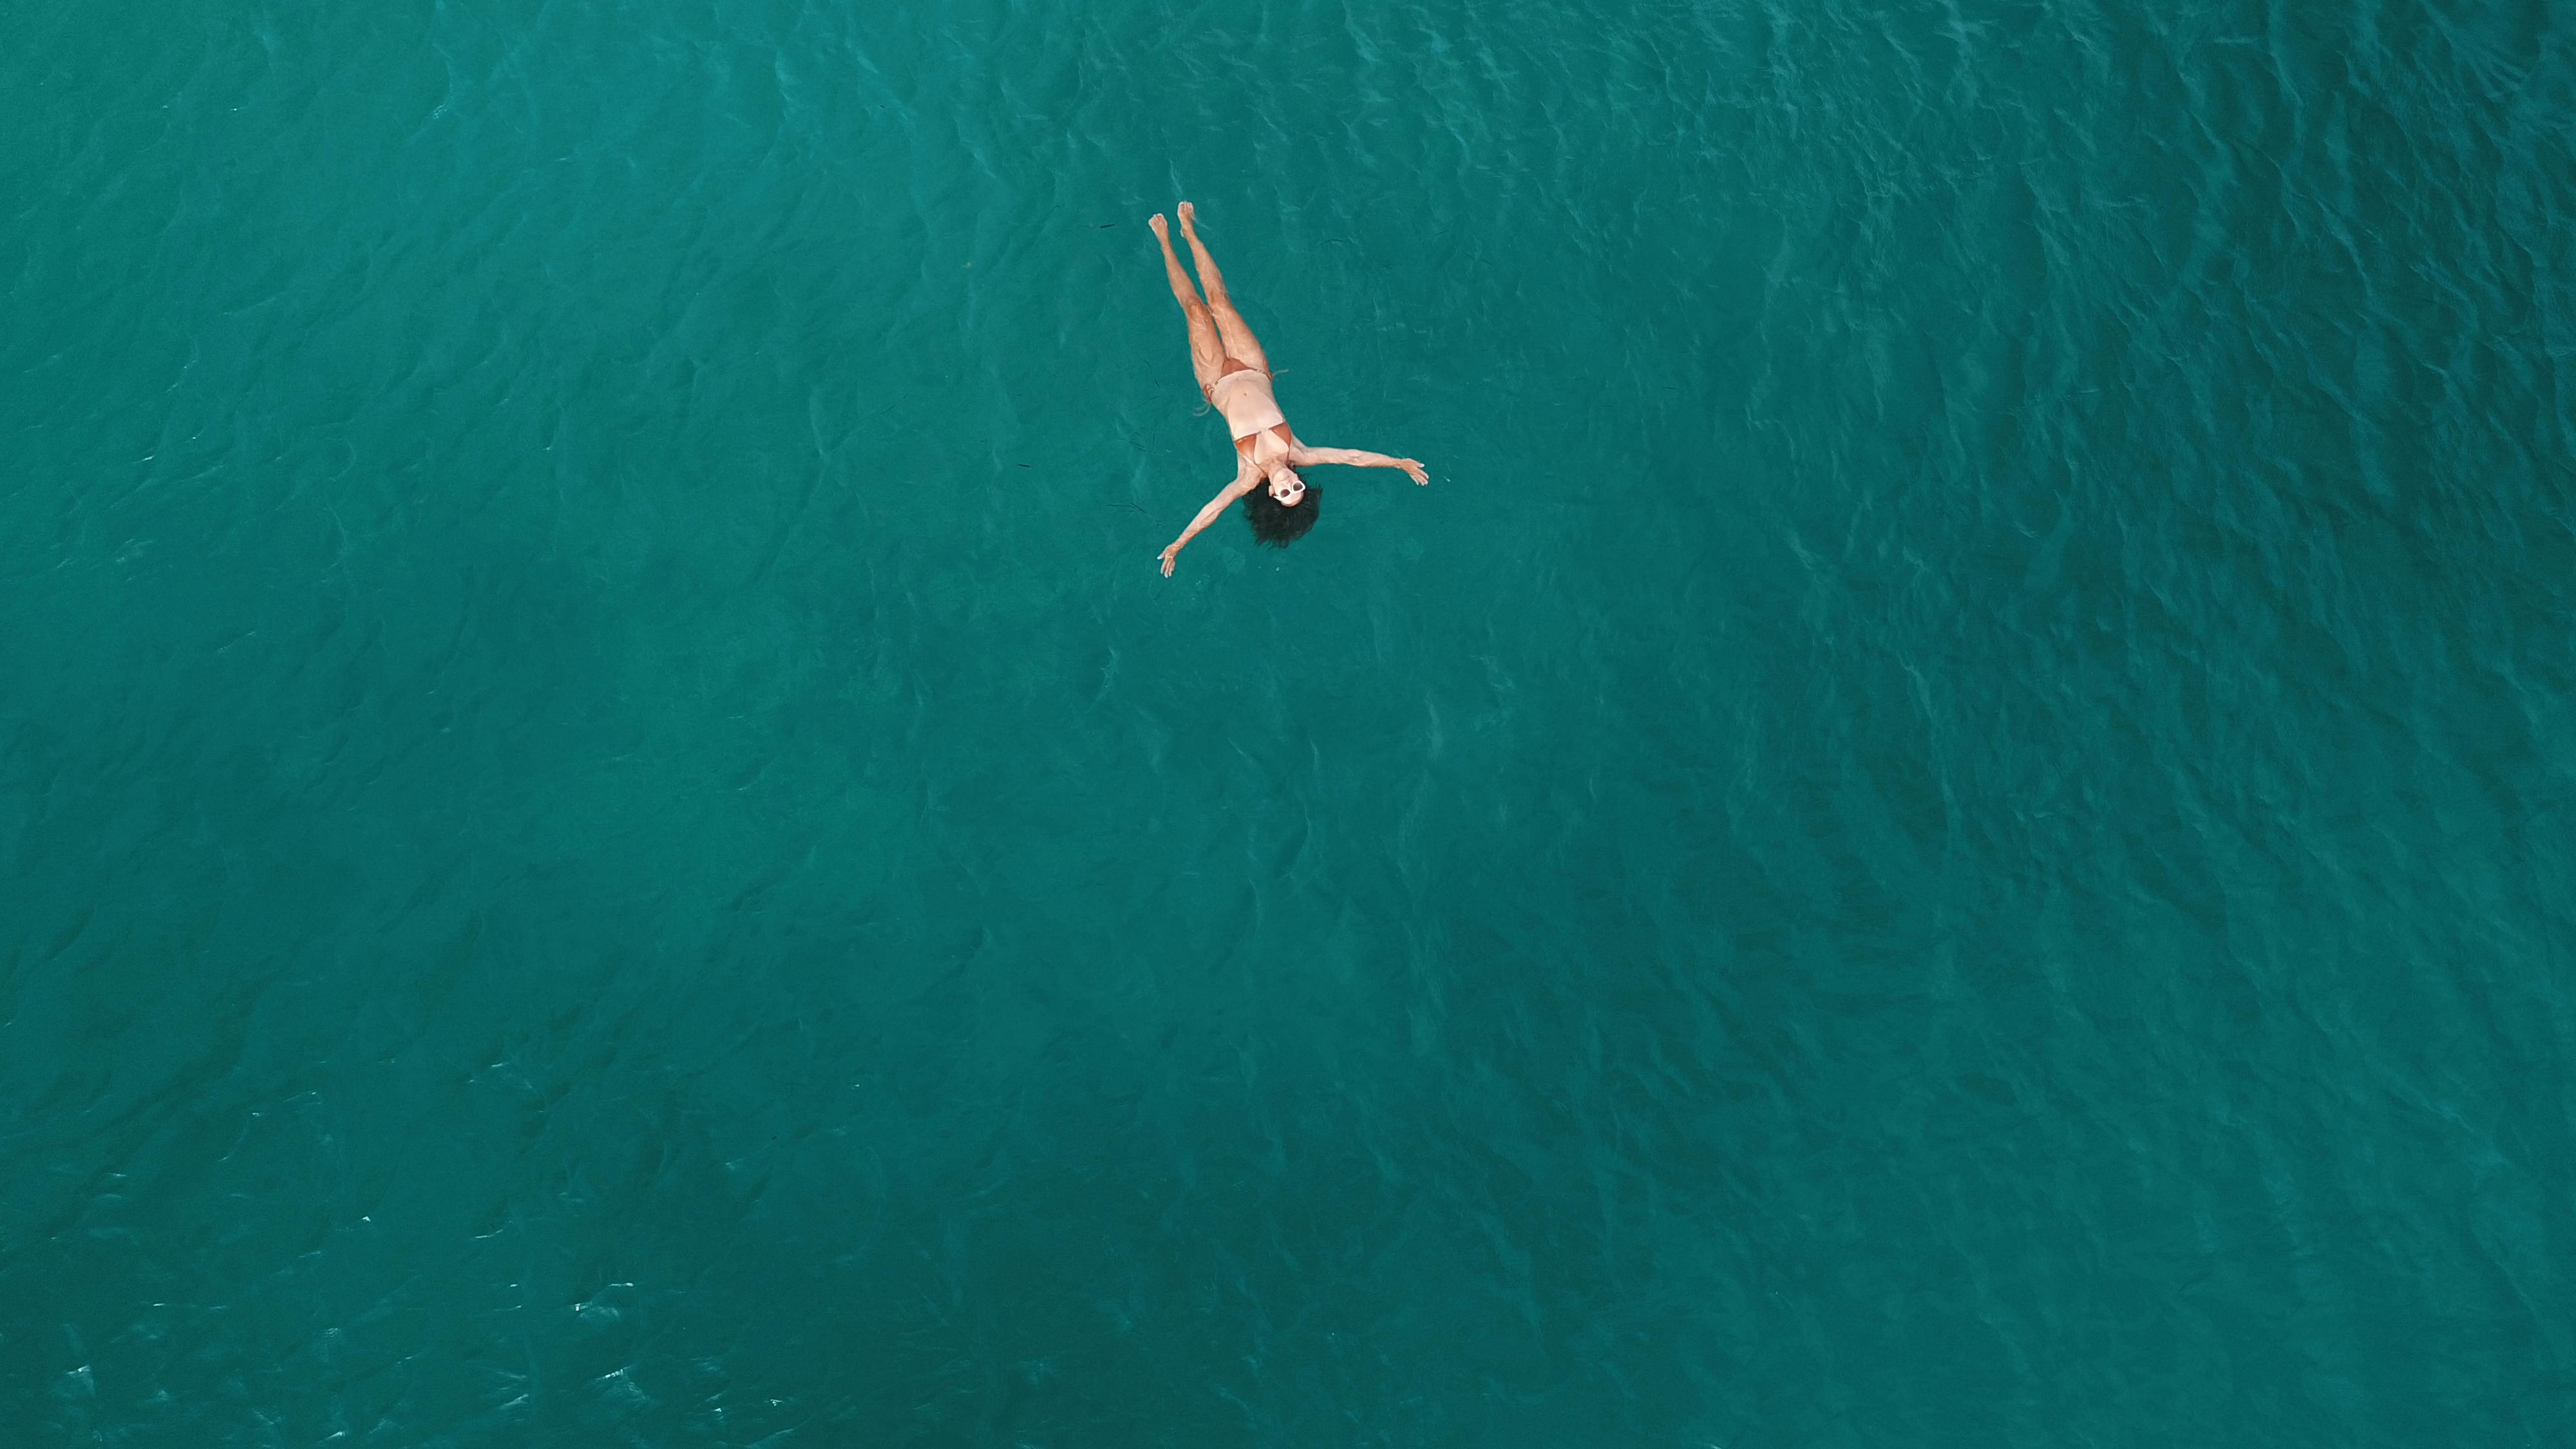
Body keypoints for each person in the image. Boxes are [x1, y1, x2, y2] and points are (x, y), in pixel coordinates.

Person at [1148, 202, 1427, 576]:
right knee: (1220, 302)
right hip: (1253, 368)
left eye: (1285, 493)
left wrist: (1178, 544)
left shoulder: (1247, 475)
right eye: (1298, 487)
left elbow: (1212, 509)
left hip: (1215, 381)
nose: (1290, 485)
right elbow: (1353, 458)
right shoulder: (1301, 452)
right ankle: (1190, 232)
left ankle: (1166, 243)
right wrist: (1399, 463)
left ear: (1271, 495)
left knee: (1196, 310)